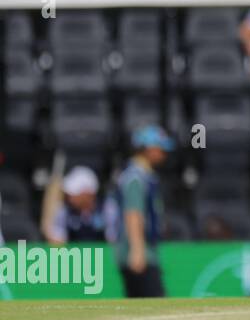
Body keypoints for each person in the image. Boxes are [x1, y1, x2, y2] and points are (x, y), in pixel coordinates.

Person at [112, 126, 174, 298]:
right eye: (161, 149)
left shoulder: (142, 176)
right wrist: (137, 250)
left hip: (142, 251)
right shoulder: (135, 178)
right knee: (155, 303)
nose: (164, 154)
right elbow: (133, 214)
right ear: (149, 149)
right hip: (139, 253)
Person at [41, 162, 117, 245]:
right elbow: (57, 240)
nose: (70, 196)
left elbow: (114, 242)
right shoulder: (65, 210)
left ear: (88, 193)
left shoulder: (108, 208)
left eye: (75, 193)